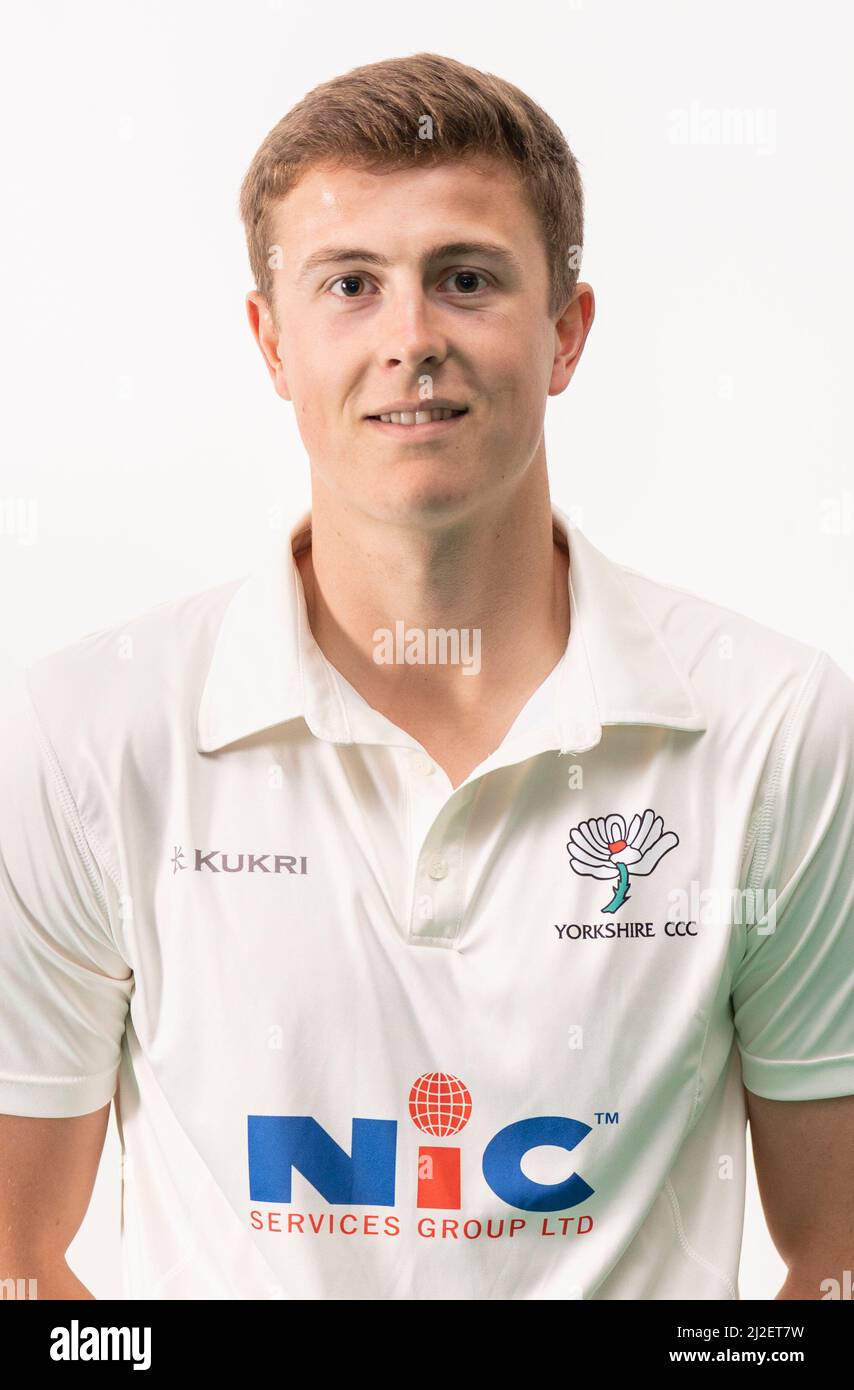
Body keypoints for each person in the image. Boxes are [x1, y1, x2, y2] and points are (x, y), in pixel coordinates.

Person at [1, 51, 852, 1302]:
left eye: (465, 279)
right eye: (351, 284)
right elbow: (19, 1263)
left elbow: (833, 1256)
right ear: (271, 342)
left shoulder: (774, 728)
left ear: (564, 333)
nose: (411, 340)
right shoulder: (86, 734)